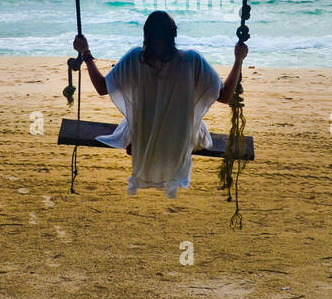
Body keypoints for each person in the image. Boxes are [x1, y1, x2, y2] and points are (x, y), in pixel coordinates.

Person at [72, 11, 247, 198]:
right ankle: (146, 138)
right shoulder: (191, 61)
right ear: (175, 35)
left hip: (142, 137)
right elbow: (225, 96)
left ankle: (138, 139)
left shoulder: (134, 59)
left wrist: (86, 53)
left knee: (132, 122)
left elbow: (101, 87)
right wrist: (238, 59)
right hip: (178, 141)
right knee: (194, 127)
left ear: (145, 35)